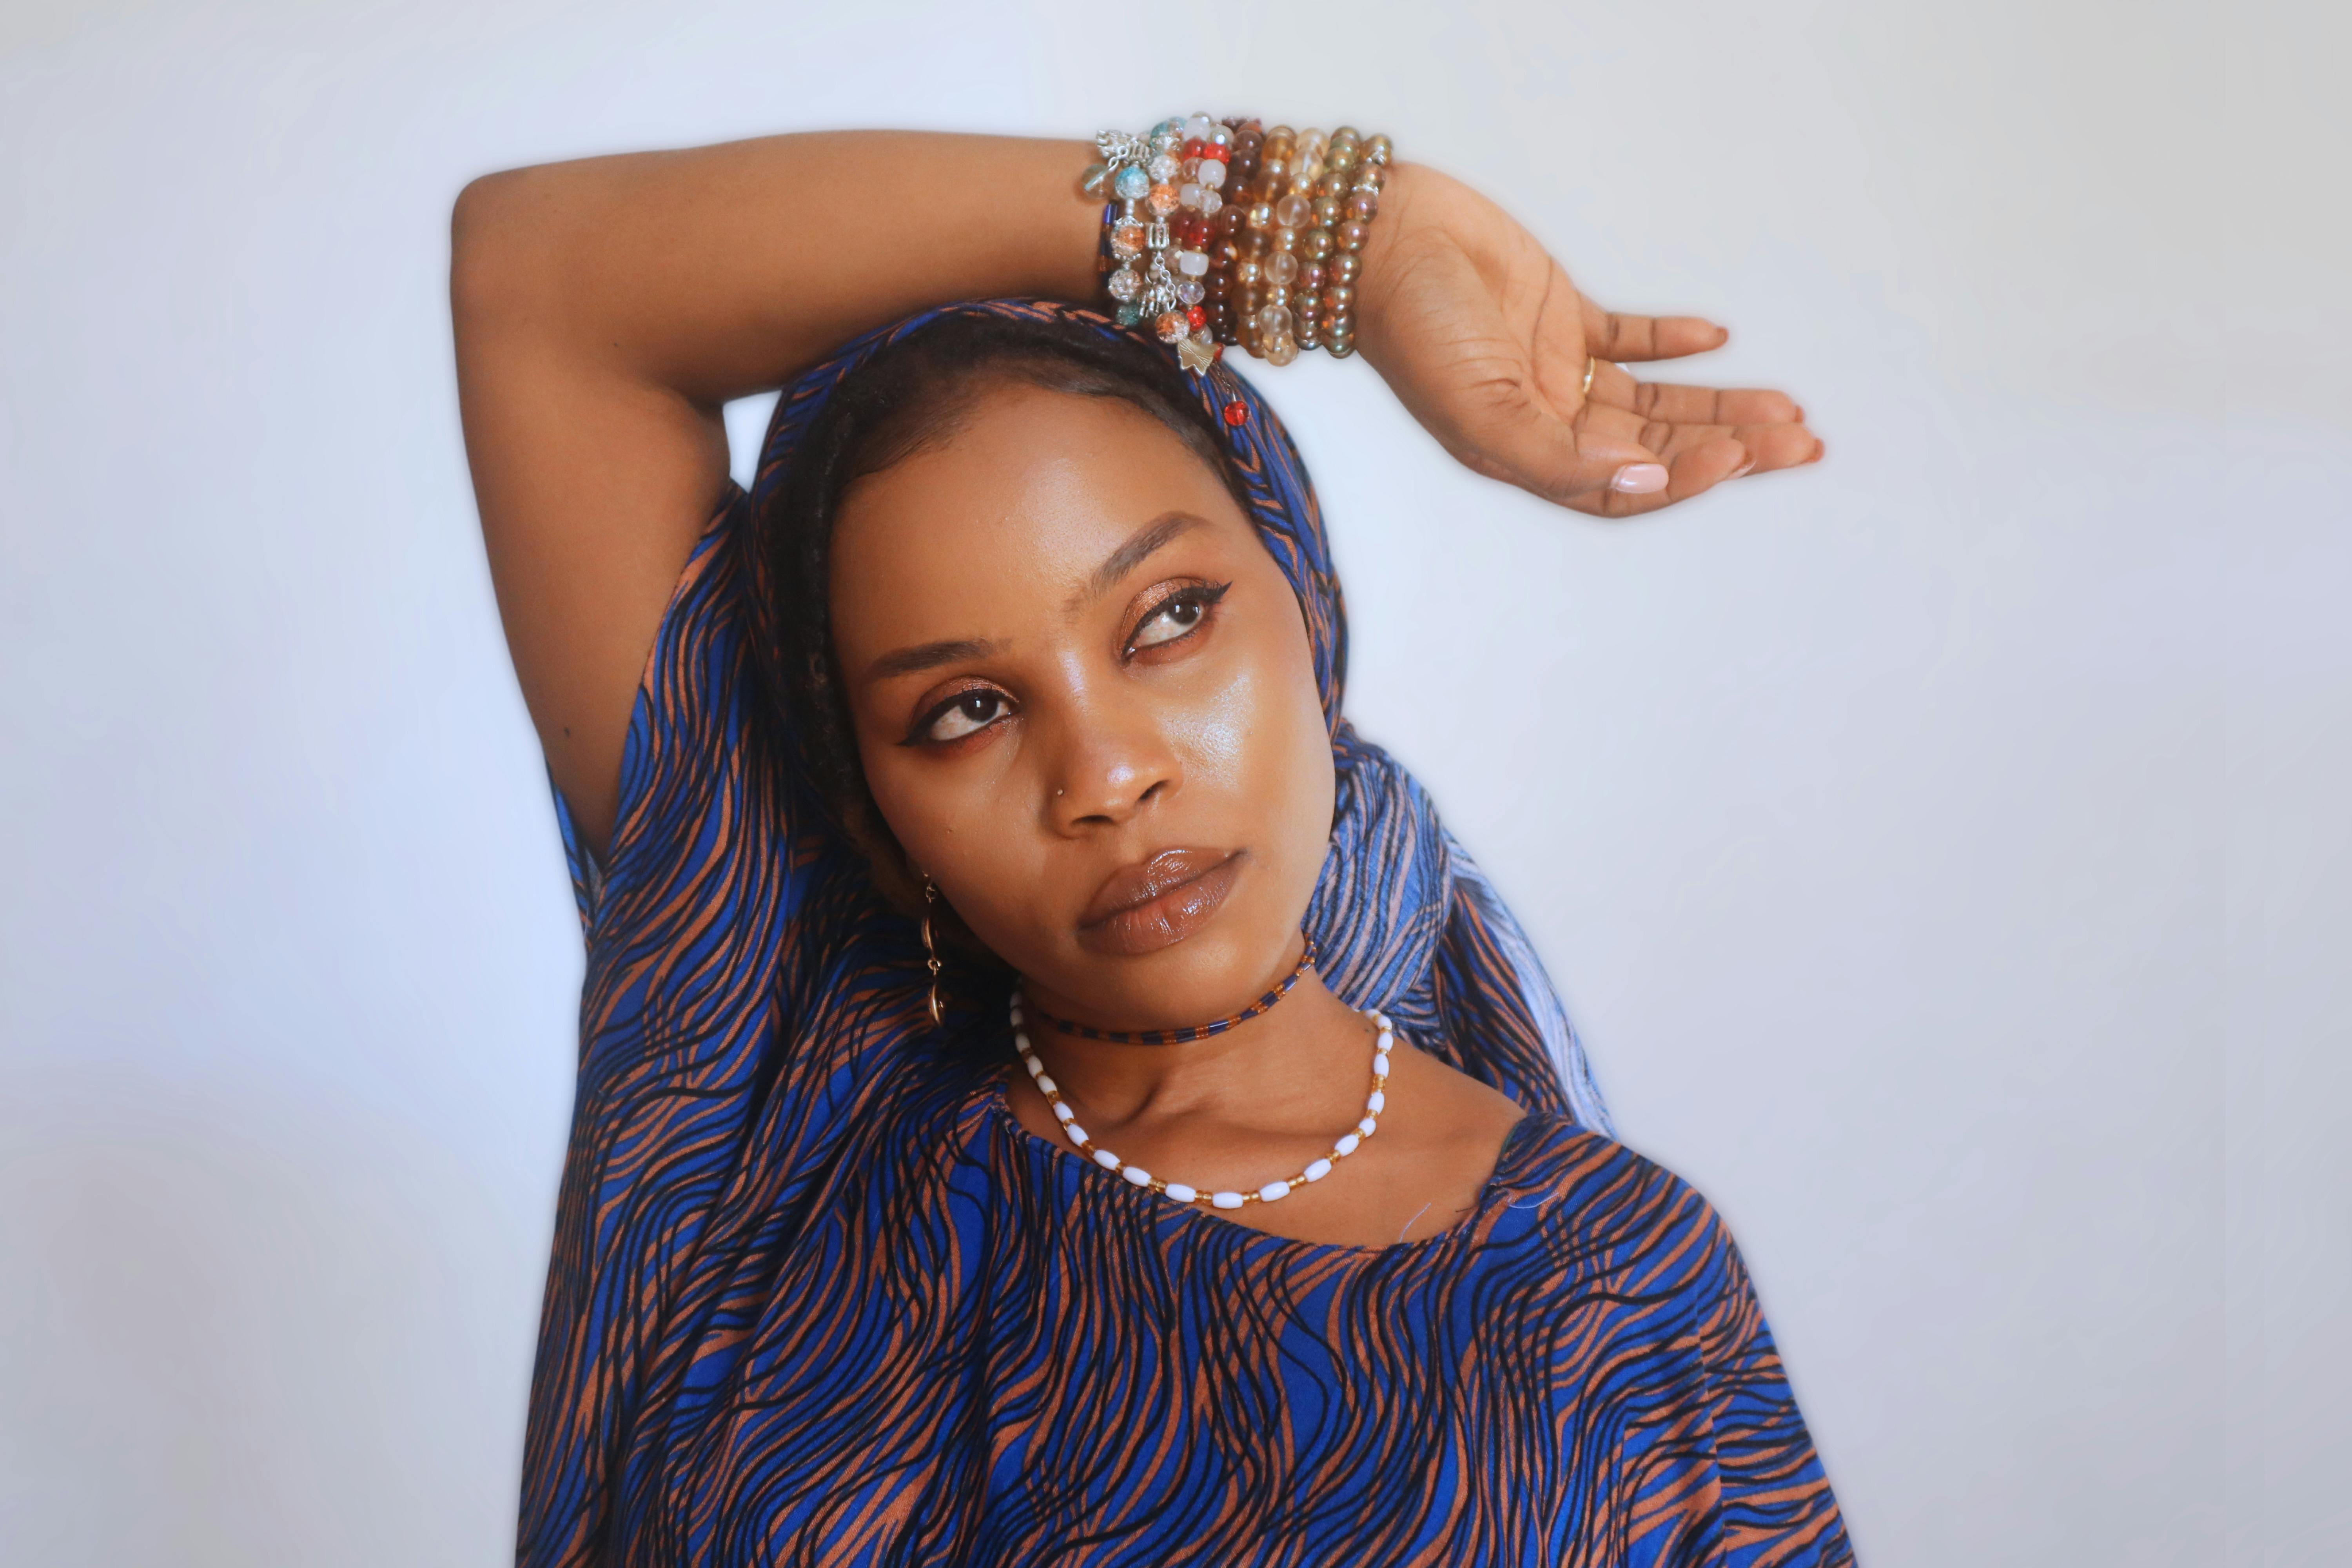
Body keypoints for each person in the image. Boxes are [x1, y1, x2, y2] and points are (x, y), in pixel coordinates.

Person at [452, 120, 1846, 1566]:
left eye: (1169, 621)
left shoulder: (1615, 1278)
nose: (1106, 776)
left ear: (1304, 602)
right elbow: (545, 282)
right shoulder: (779, 1094)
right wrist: (1343, 241)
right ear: (868, 803)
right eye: (966, 710)